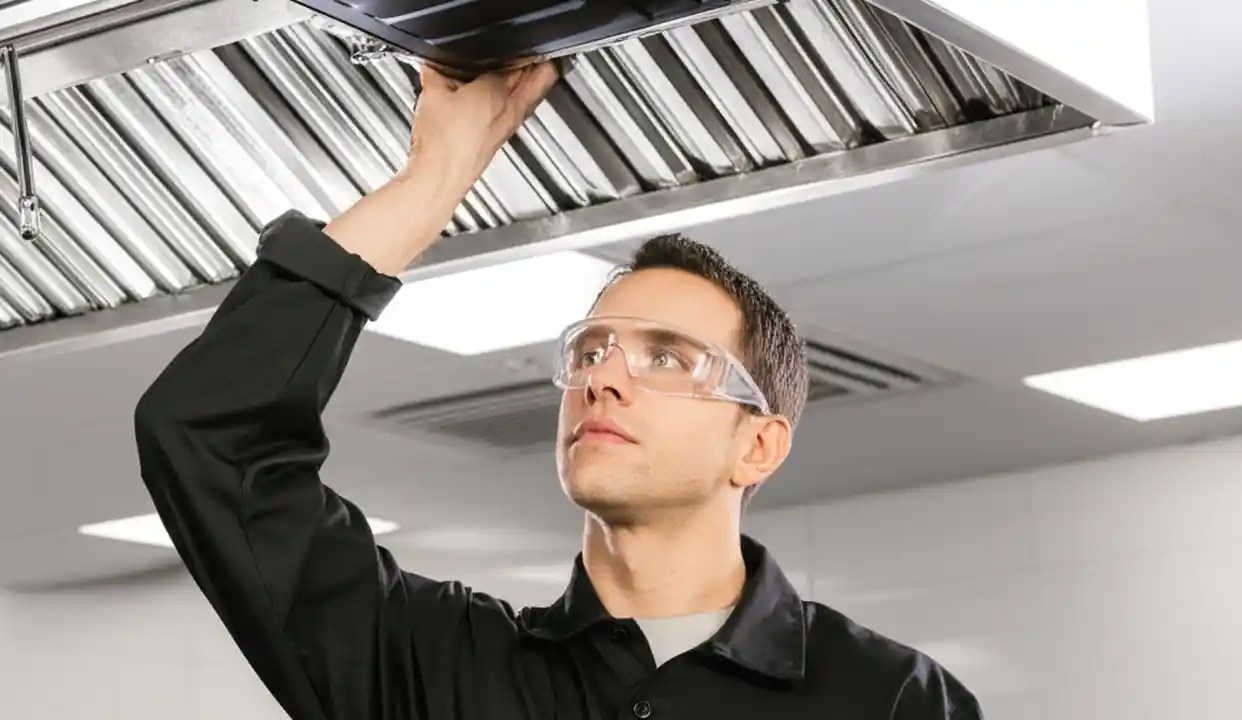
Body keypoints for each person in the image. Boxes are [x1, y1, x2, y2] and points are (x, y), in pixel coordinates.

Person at [135, 60, 982, 720]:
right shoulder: (438, 667)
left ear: (757, 444)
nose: (603, 377)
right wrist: (435, 176)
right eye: (593, 351)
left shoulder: (891, 700)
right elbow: (209, 434)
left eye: (667, 359)